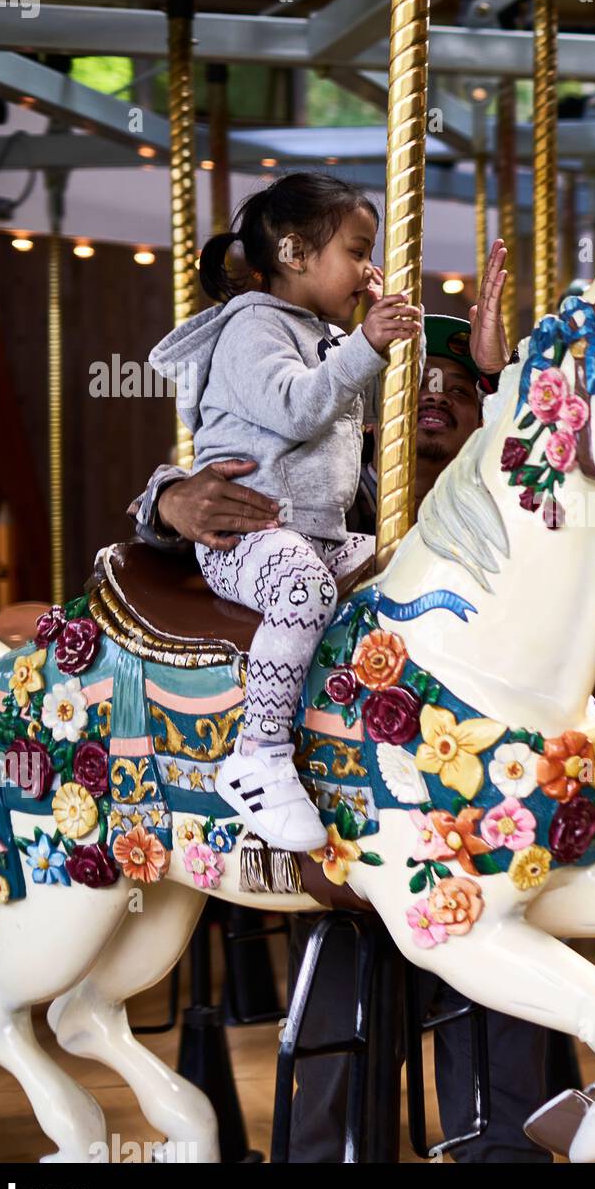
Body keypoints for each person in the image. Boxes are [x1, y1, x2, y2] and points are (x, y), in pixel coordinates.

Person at [133, 272, 555, 1164]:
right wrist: (172, 501)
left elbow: (565, 460)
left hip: (472, 808)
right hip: (352, 800)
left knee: (495, 972)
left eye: (458, 385)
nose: (435, 397)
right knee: (344, 986)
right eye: (418, 384)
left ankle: (499, 1149)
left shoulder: (524, 521)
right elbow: (223, 480)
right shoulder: (340, 502)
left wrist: (502, 371)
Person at [148, 171, 424, 853]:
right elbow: (296, 407)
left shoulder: (321, 333)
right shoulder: (253, 329)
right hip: (251, 538)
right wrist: (365, 345)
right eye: (358, 252)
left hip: (318, 533)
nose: (368, 269)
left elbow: (387, 413)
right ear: (297, 254)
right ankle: (260, 753)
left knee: (412, 568)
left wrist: (379, 341)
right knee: (302, 590)